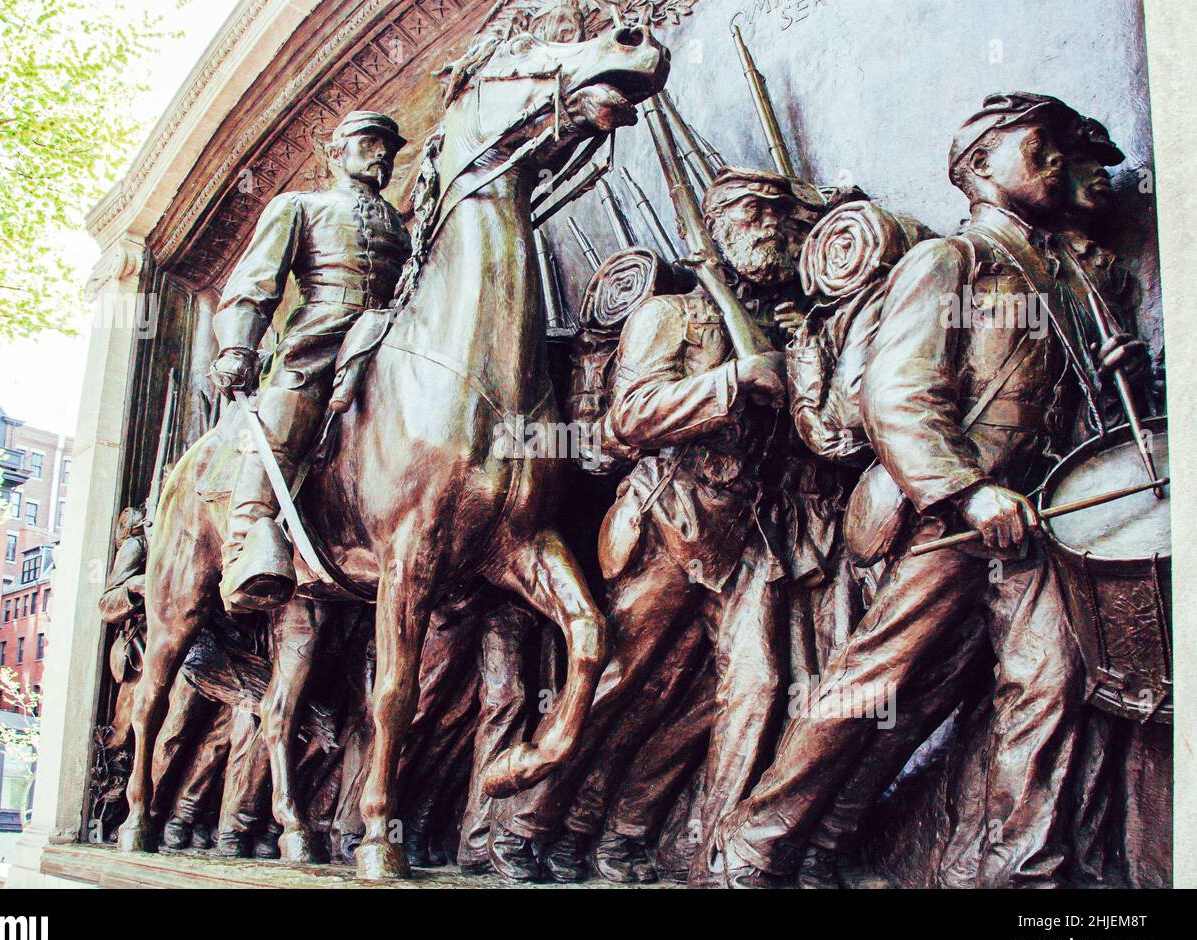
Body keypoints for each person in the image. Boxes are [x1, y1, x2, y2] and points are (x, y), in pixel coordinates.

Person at [716, 93, 1146, 889]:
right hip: (953, 516)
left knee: (1048, 682)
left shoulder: (1063, 279)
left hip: (1041, 517)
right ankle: (752, 848)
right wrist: (966, 492)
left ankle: (1026, 873)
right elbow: (899, 394)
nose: (1055, 159)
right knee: (872, 688)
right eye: (1038, 144)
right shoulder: (952, 261)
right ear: (979, 166)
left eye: (1059, 145)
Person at [491, 167, 825, 883]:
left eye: (779, 216)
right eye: (752, 215)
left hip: (751, 539)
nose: (770, 227)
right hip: (669, 523)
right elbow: (624, 423)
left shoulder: (785, 328)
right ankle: (527, 824)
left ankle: (663, 843)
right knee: (620, 684)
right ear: (718, 232)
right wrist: (728, 384)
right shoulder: (670, 316)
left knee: (748, 690)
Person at [208, 111, 410, 611]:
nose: (383, 153)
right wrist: (238, 346)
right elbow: (256, 282)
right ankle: (245, 549)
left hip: (392, 331)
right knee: (287, 412)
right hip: (321, 332)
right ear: (336, 151)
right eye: (370, 142)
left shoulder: (402, 228)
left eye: (389, 147)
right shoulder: (299, 205)